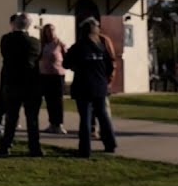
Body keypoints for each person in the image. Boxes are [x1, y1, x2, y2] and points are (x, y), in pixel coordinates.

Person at [64, 17, 117, 158]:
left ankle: (85, 149)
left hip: (83, 86)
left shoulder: (78, 47)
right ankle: (110, 144)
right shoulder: (101, 47)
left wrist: (76, 65)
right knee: (103, 116)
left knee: (86, 118)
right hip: (100, 86)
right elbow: (110, 66)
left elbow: (66, 63)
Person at [0, 13, 44, 157]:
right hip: (30, 84)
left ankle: (5, 146)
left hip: (12, 83)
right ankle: (34, 147)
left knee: (11, 118)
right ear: (29, 25)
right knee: (32, 119)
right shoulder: (35, 43)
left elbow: (4, 54)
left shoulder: (6, 40)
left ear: (14, 24)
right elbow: (38, 57)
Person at [38, 23, 68, 135]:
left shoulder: (59, 44)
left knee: (58, 100)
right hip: (45, 75)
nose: (50, 32)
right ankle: (52, 123)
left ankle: (59, 124)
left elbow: (66, 57)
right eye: (48, 30)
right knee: (49, 100)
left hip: (57, 75)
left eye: (52, 30)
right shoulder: (43, 44)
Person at [90, 30, 119, 140]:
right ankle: (93, 128)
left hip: (102, 81)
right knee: (92, 108)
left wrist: (109, 79)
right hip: (91, 81)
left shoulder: (103, 41)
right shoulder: (86, 42)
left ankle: (105, 132)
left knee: (103, 108)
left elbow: (111, 62)